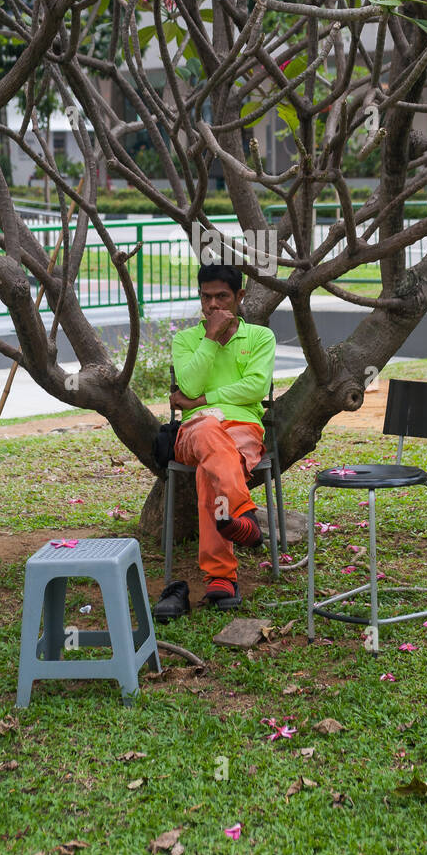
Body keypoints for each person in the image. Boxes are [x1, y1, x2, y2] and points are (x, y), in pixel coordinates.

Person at [153, 263, 276, 620]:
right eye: (206, 297)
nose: (212, 305)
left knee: (211, 468)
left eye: (222, 296)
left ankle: (222, 577)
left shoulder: (259, 338)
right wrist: (210, 339)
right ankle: (242, 515)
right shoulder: (187, 340)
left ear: (239, 297)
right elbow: (187, 385)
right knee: (207, 431)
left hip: (242, 429)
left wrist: (203, 401)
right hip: (195, 432)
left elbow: (255, 387)